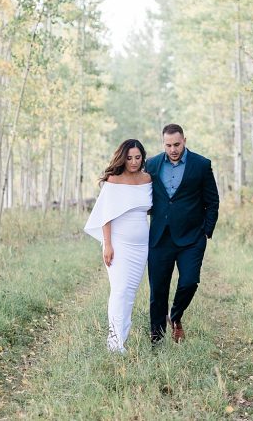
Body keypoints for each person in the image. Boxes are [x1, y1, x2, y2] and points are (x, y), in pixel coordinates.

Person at [144, 124, 219, 344]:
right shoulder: (152, 165)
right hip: (160, 237)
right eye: (168, 145)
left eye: (176, 144)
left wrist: (206, 230)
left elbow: (212, 201)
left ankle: (175, 316)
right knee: (158, 291)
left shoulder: (201, 164)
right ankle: (156, 341)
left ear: (184, 140)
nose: (173, 149)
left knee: (189, 281)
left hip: (192, 238)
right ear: (163, 144)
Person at [83, 139, 153, 352]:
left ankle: (122, 338)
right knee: (119, 291)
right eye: (130, 157)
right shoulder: (114, 180)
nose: (133, 162)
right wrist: (108, 245)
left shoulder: (147, 179)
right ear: (123, 158)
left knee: (130, 294)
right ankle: (114, 342)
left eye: (138, 157)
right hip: (119, 244)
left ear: (143, 157)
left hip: (142, 245)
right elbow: (106, 215)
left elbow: (149, 208)